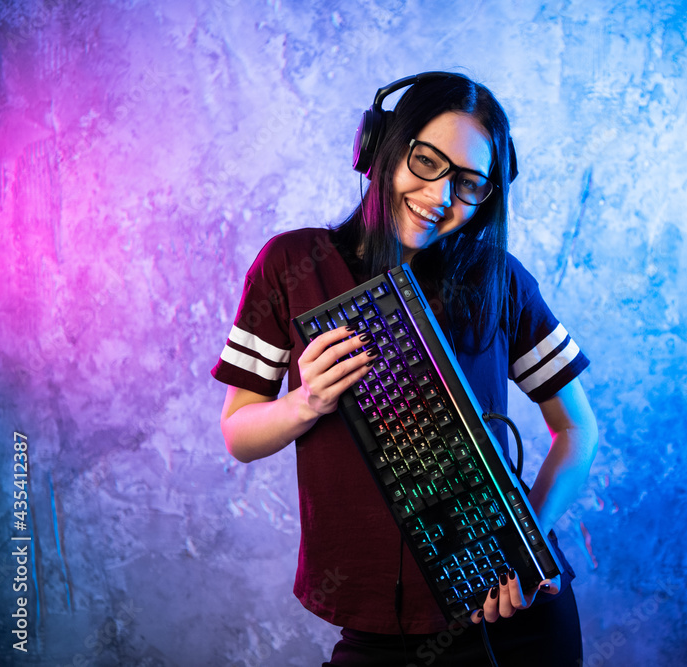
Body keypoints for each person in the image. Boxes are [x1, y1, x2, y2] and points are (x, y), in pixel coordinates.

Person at [212, 72, 598, 666]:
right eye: (426, 161)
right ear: (381, 147)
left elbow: (578, 431)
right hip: (376, 626)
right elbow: (238, 433)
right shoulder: (291, 265)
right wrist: (305, 403)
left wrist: (523, 547)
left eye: (468, 184)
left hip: (511, 615)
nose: (441, 196)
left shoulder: (501, 281)